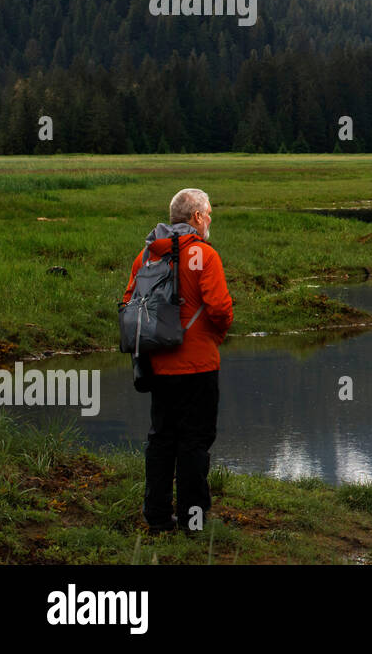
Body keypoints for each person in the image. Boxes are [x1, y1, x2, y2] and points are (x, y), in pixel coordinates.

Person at [121, 188, 234, 534]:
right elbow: (219, 309)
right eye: (209, 213)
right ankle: (193, 522)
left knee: (161, 439)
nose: (211, 218)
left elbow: (128, 302)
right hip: (198, 366)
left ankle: (156, 518)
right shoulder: (204, 254)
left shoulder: (147, 255)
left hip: (158, 364)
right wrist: (216, 334)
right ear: (197, 217)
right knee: (194, 444)